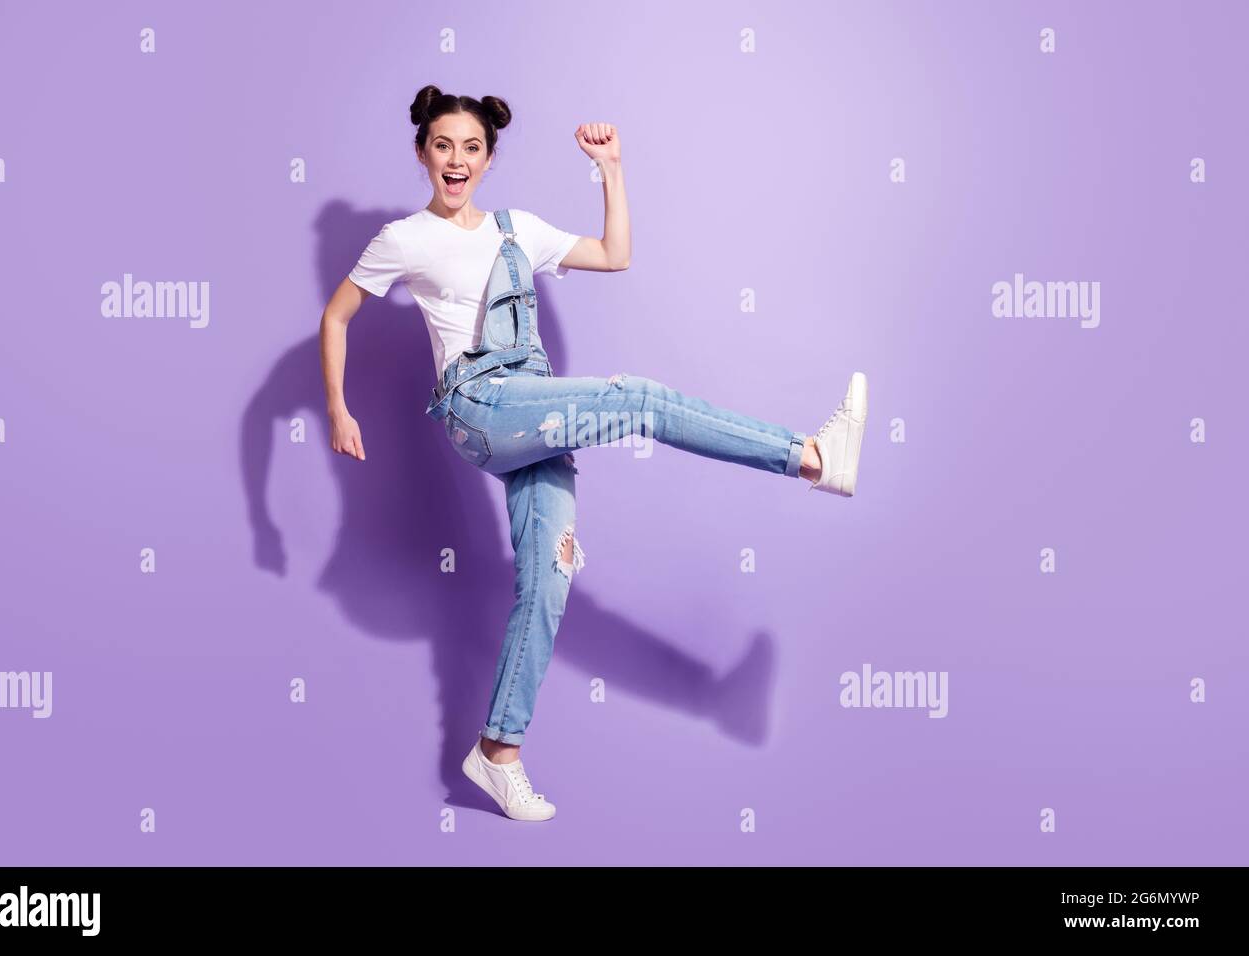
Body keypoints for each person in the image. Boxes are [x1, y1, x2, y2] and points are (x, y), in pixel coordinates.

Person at [319, 84, 868, 822]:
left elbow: (615, 255)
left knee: (549, 578)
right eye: (443, 145)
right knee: (636, 399)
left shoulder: (517, 232)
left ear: (488, 159)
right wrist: (338, 407)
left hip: (533, 411)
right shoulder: (403, 239)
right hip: (480, 410)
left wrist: (610, 168)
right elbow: (337, 314)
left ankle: (496, 754)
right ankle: (809, 456)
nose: (457, 159)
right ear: (423, 152)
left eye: (472, 148)